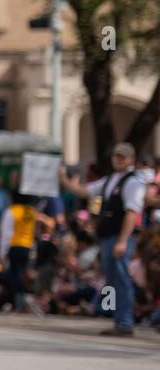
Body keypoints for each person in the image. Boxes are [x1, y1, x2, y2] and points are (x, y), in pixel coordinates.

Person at [60, 142, 148, 336]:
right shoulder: (112, 179)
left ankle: (124, 322)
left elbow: (132, 213)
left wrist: (123, 240)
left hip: (119, 236)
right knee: (111, 279)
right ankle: (115, 317)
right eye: (116, 155)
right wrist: (64, 179)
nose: (118, 159)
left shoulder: (133, 181)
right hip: (108, 236)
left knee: (121, 278)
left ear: (131, 159)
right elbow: (85, 191)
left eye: (123, 156)